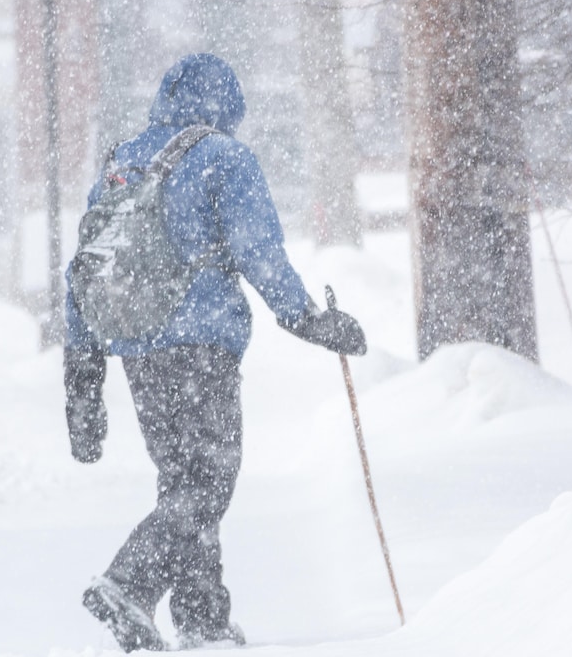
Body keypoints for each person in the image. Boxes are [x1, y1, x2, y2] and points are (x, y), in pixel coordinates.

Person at [63, 53, 368, 652]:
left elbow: (84, 271)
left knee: (184, 482)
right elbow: (260, 252)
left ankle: (202, 621)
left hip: (136, 349)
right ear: (227, 102)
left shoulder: (123, 162)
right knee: (207, 483)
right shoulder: (224, 158)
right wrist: (309, 319)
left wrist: (82, 378)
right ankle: (128, 582)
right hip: (200, 348)